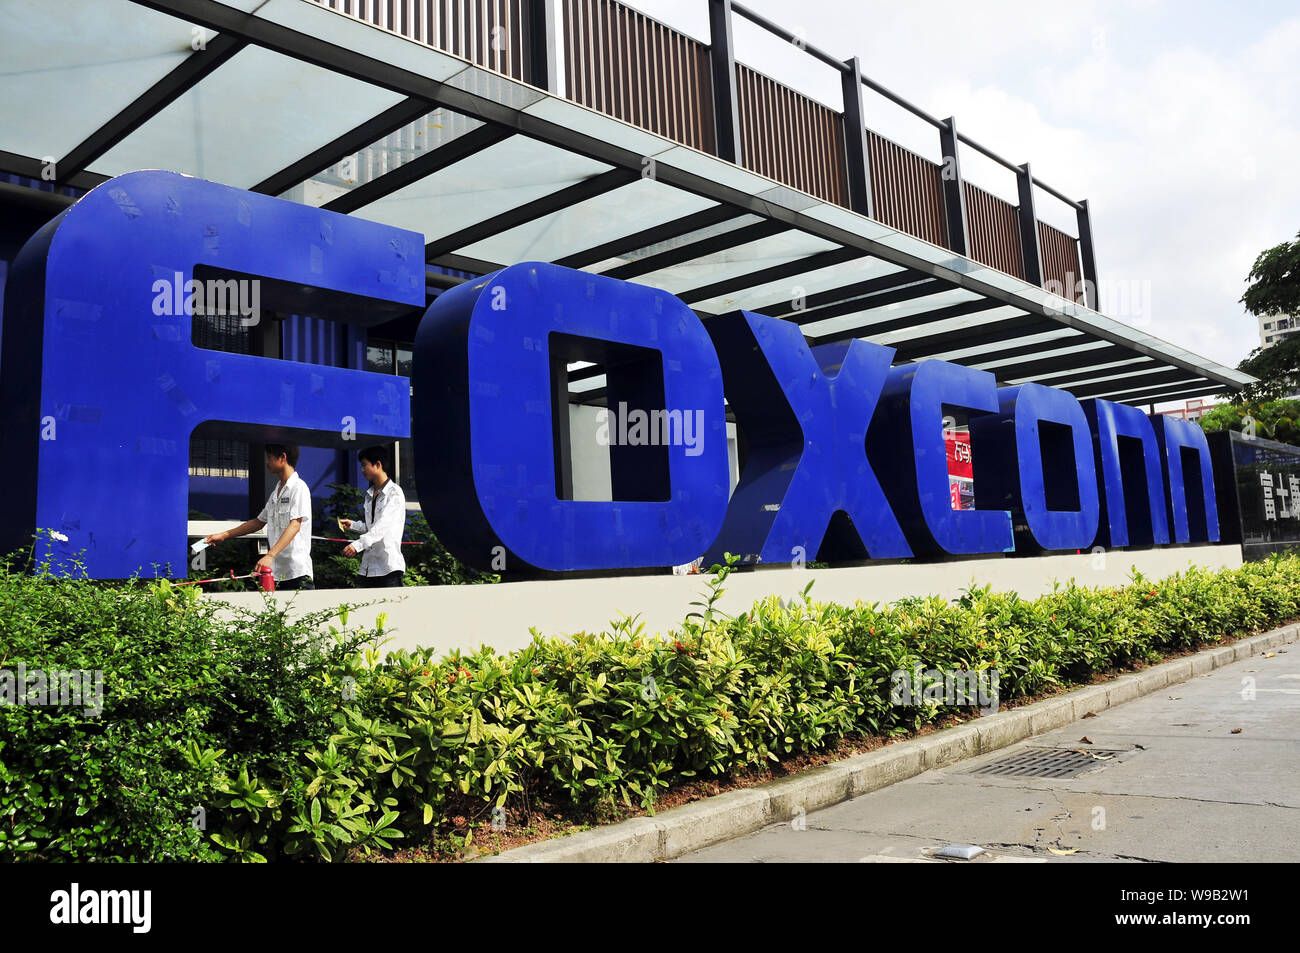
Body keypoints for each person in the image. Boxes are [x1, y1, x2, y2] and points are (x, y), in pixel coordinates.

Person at [204, 444, 314, 590]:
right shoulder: (276, 492)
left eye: (269, 458)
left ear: (282, 457)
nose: (267, 462)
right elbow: (258, 522)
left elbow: (295, 525)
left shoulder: (299, 488)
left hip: (297, 572)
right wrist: (224, 535)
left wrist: (269, 555)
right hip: (276, 573)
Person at [338, 445, 407, 588]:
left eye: (364, 465)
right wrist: (354, 525)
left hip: (388, 568)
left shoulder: (395, 493)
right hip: (368, 569)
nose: (362, 470)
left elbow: (382, 527)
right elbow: (372, 527)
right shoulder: (369, 494)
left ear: (378, 465)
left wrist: (357, 546)